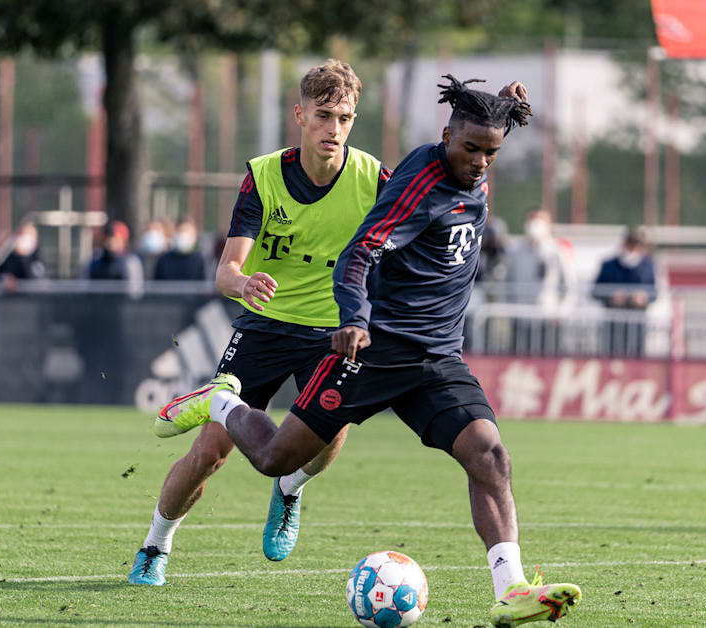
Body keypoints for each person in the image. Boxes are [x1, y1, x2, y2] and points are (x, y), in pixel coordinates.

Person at [154, 75, 581, 626]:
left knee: (489, 455)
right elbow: (358, 254)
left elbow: (484, 134)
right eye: (471, 149)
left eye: (490, 153)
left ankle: (511, 589)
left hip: (436, 359)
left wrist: (506, 108)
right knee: (273, 458)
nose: (479, 163)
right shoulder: (417, 185)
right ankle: (219, 403)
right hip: (375, 351)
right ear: (446, 137)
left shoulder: (472, 162)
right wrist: (355, 320)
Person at [128, 59, 392, 586]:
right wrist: (245, 283)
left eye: (344, 118)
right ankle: (155, 545)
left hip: (333, 332)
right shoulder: (265, 176)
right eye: (323, 116)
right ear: (300, 115)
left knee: (330, 436)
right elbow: (225, 273)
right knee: (208, 454)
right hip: (265, 328)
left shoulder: (375, 178)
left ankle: (289, 489)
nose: (334, 129)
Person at [592, 226, 657, 356]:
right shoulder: (609, 265)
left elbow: (654, 292)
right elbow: (595, 291)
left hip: (637, 324)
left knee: (637, 356)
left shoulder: (648, 266)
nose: (633, 248)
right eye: (631, 243)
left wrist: (643, 298)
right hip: (613, 324)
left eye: (637, 245)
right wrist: (610, 297)